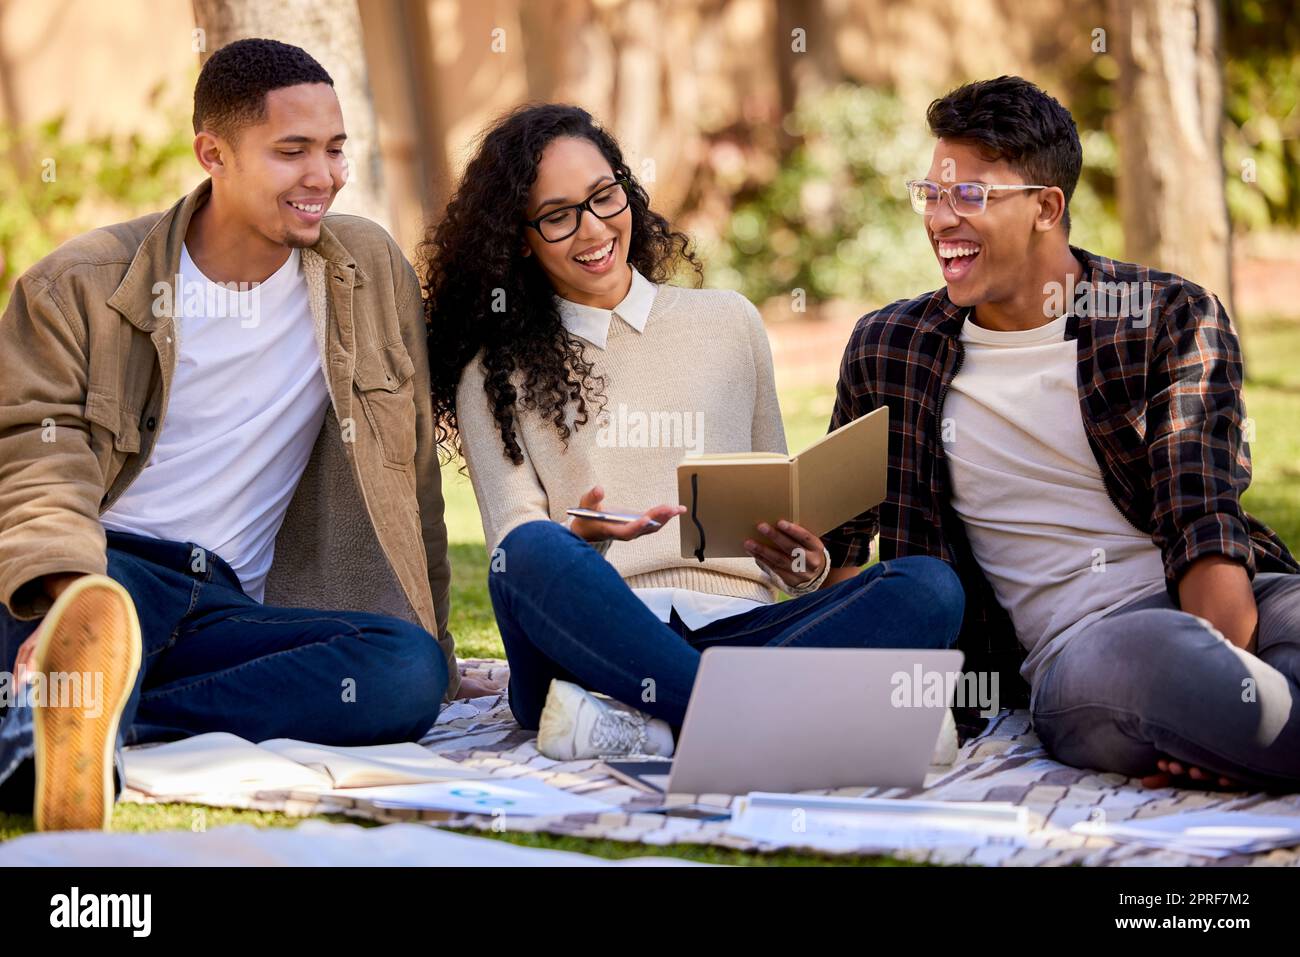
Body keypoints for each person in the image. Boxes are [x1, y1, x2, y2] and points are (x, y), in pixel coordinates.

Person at [0, 38, 488, 832]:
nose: (322, 176)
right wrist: (69, 605)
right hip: (96, 571)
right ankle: (71, 683)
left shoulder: (369, 270)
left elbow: (413, 474)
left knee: (403, 671)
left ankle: (74, 713)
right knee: (104, 611)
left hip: (225, 609)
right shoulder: (77, 286)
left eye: (334, 150)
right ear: (213, 153)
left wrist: (434, 638)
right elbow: (33, 461)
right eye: (291, 151)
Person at [421, 103, 966, 762]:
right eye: (559, 215)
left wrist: (805, 560)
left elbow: (781, 515)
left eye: (603, 197)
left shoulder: (729, 323)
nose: (593, 229)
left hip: (745, 630)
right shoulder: (493, 369)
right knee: (536, 548)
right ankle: (784, 720)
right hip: (596, 644)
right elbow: (514, 557)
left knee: (928, 589)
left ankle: (663, 721)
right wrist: (581, 544)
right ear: (520, 237)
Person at [823, 75, 1300, 790]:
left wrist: (1227, 699)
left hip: (1229, 601)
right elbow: (841, 552)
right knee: (1162, 659)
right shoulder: (891, 347)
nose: (939, 219)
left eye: (970, 196)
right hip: (1085, 652)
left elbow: (1203, 522)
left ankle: (1248, 738)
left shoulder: (1167, 316)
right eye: (931, 193)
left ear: (1048, 207)